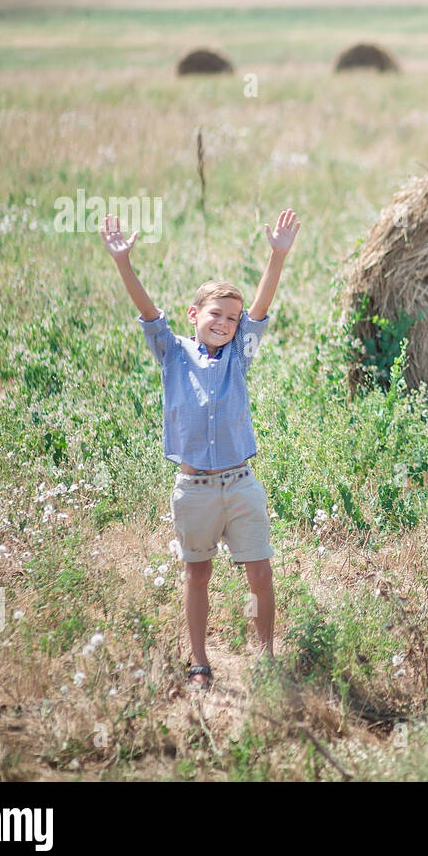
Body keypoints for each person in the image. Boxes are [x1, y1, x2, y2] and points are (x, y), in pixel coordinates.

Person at [100, 209, 300, 690]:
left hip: (241, 484)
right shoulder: (172, 352)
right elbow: (148, 310)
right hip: (194, 488)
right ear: (194, 316)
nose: (226, 323)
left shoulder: (240, 355)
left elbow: (259, 308)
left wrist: (277, 255)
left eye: (232, 318)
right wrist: (123, 263)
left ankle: (266, 658)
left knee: (260, 575)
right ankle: (199, 662)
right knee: (197, 574)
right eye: (216, 314)